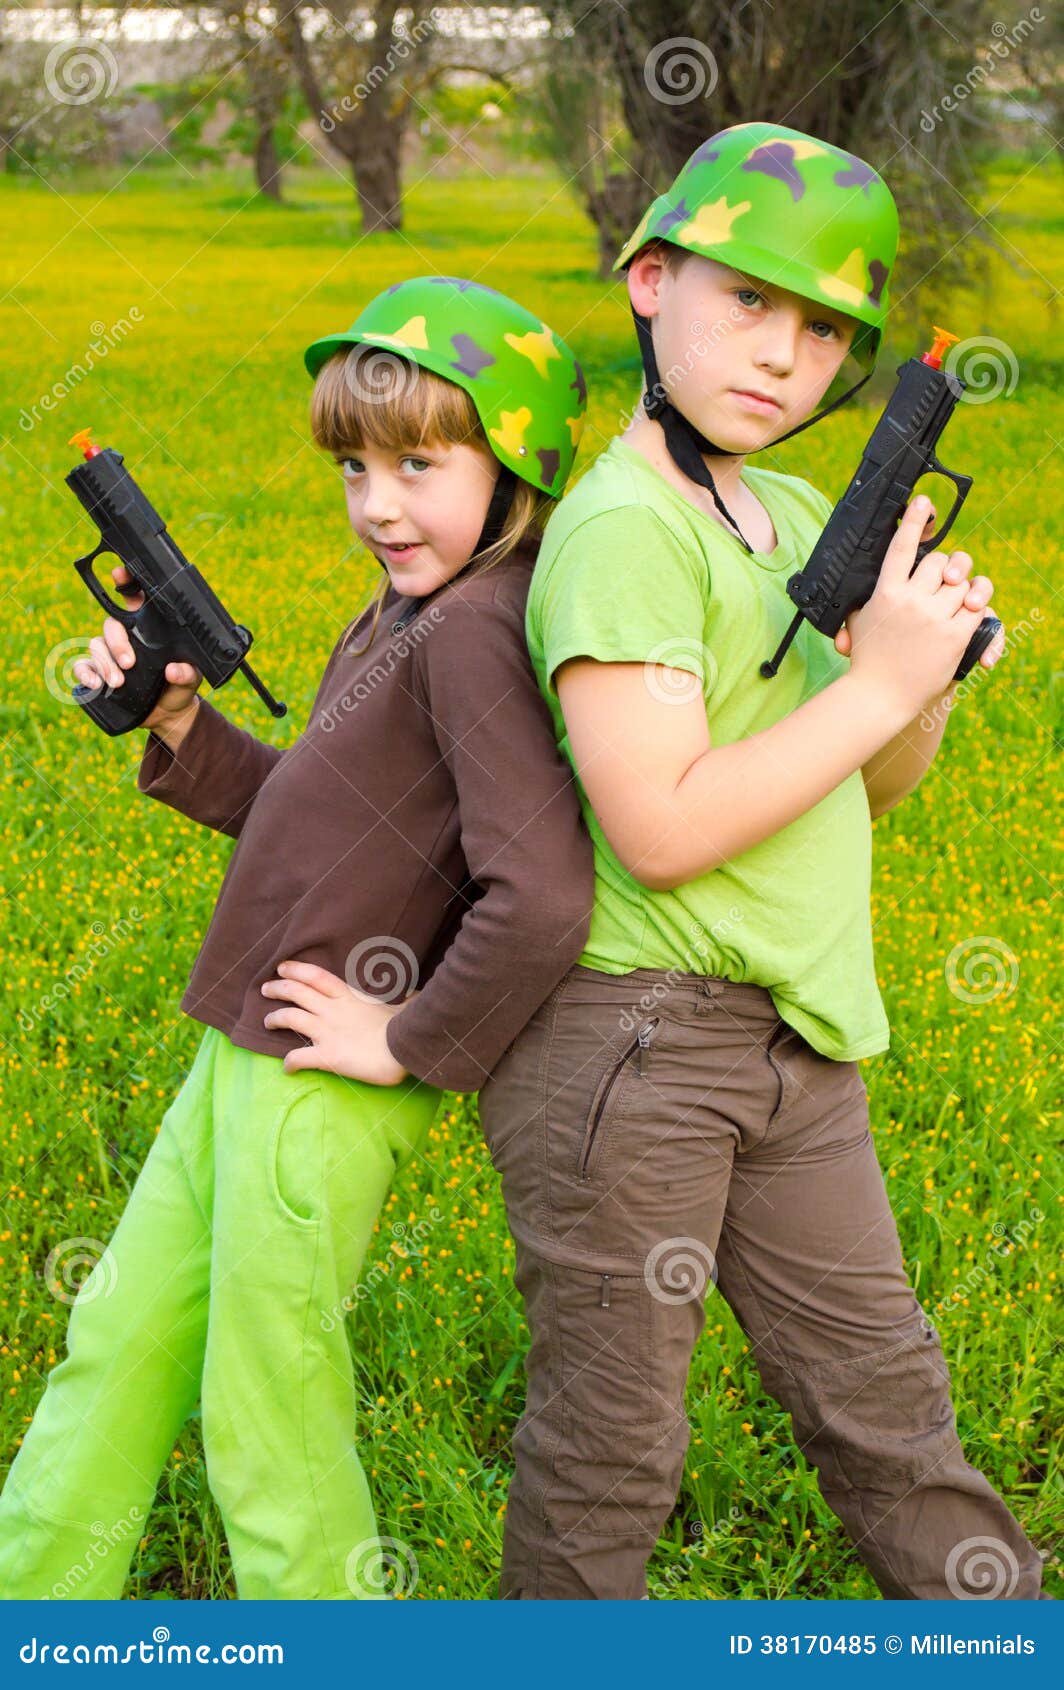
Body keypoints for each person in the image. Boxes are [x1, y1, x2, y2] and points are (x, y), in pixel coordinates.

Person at [475, 122, 1045, 1601]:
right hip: (632, 1045)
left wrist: (910, 676)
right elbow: (659, 833)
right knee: (612, 1448)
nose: (783, 356)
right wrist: (870, 686)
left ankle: (998, 1637)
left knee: (893, 1412)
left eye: (819, 331)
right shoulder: (621, 532)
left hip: (799, 1038)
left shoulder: (791, 513)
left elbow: (876, 782)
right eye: (748, 302)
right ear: (652, 281)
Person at [0, 276, 592, 1600]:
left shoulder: (478, 636)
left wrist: (411, 1038)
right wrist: (177, 734)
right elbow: (311, 814)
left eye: (419, 466)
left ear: (518, 468)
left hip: (319, 1079)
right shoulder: (399, 613)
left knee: (269, 1396)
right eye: (355, 468)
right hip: (245, 1050)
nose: (377, 504)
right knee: (120, 1340)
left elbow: (543, 890)